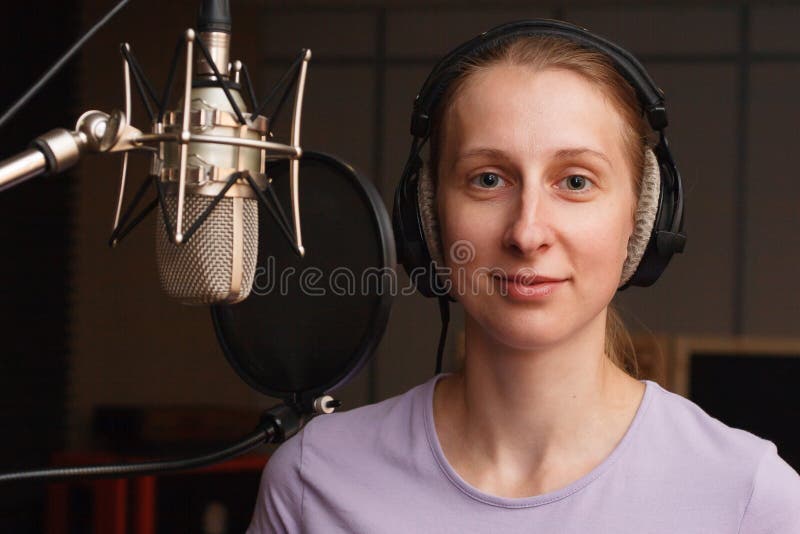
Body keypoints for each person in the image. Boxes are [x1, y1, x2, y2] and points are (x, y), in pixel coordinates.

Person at [247, 20, 800, 533]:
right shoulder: (310, 483)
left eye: (576, 182)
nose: (528, 231)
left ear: (643, 218)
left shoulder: (749, 497)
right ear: (428, 216)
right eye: (488, 178)